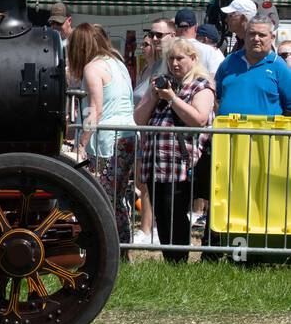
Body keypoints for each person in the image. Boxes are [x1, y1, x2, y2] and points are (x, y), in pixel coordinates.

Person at [133, 38, 215, 262]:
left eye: (180, 58)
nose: (175, 63)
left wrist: (173, 98)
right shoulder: (163, 83)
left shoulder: (201, 85)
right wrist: (153, 95)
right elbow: (139, 119)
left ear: (193, 59)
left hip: (182, 164)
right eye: (171, 58)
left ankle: (178, 259)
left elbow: (197, 119)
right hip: (156, 162)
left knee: (175, 212)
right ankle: (171, 260)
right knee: (161, 212)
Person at [68, 23, 136, 245]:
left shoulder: (92, 67)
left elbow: (94, 109)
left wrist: (81, 143)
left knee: (104, 197)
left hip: (108, 139)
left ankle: (111, 246)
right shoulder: (117, 63)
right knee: (116, 197)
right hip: (129, 134)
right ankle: (122, 245)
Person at [213, 14, 291, 117]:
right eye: (252, 34)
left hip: (265, 132)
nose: (256, 38)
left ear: (272, 38)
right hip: (227, 131)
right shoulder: (229, 61)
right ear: (245, 36)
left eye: (262, 35)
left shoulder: (279, 66)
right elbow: (215, 96)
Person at [133, 18, 176, 105]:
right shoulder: (157, 65)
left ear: (172, 35)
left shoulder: (177, 62)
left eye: (159, 35)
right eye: (151, 35)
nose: (155, 39)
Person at [174, 8, 225, 76]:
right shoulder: (210, 51)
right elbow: (215, 77)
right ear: (196, 27)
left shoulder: (169, 50)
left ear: (176, 28)